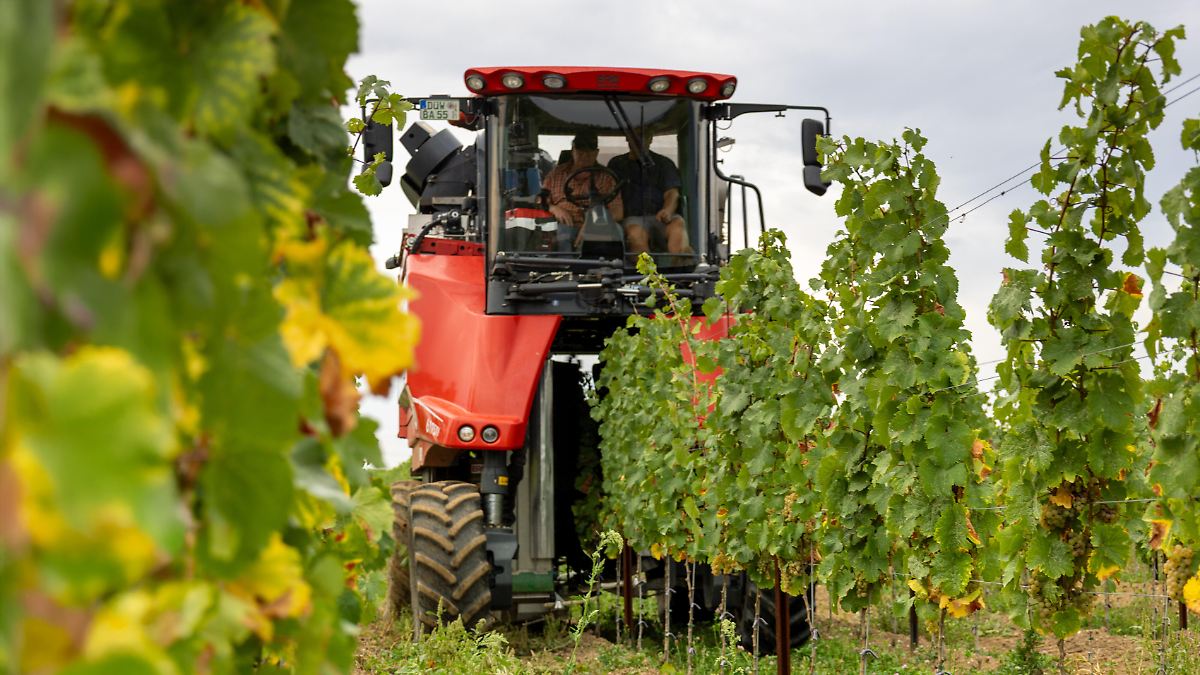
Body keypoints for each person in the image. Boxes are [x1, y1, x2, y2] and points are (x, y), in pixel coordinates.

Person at [607, 130, 689, 255]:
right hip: (632, 219)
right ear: (627, 138)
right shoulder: (616, 164)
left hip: (661, 218)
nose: (638, 141)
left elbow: (672, 192)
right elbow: (609, 193)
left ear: (650, 138)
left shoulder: (664, 164)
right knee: (636, 234)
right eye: (634, 137)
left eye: (642, 136)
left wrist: (667, 210)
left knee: (678, 226)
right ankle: (647, 268)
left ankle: (681, 265)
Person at [541, 130, 623, 250]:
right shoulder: (556, 174)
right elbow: (540, 200)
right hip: (562, 225)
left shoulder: (607, 177)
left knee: (616, 230)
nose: (584, 156)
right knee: (561, 233)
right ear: (572, 150)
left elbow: (618, 212)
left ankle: (609, 262)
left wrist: (591, 224)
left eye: (589, 152)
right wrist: (553, 208)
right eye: (580, 151)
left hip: (597, 225)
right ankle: (564, 262)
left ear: (596, 153)